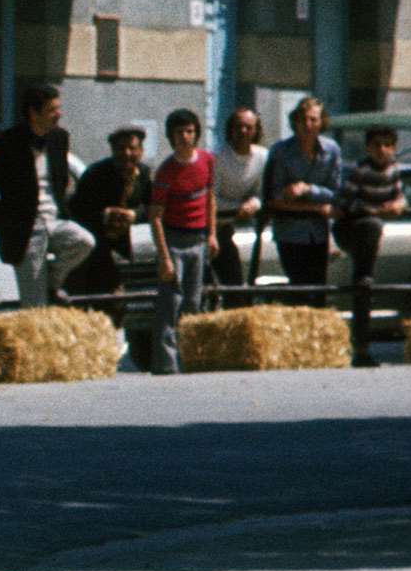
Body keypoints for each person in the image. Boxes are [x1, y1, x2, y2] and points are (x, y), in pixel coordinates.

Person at [0, 83, 92, 306]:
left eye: (58, 108)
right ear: (33, 113)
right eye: (52, 110)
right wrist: (3, 221)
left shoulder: (59, 138)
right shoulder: (8, 142)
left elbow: (61, 179)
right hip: (25, 227)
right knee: (34, 303)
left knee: (84, 241)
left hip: (54, 219)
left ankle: (53, 283)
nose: (59, 114)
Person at [147, 109, 216, 377]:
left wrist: (212, 235)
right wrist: (164, 257)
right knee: (170, 302)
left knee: (194, 301)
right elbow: (155, 217)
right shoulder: (166, 171)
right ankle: (166, 364)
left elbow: (210, 198)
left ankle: (192, 360)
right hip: (174, 238)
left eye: (189, 131)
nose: (185, 137)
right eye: (179, 133)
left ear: (196, 133)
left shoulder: (207, 161)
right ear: (171, 137)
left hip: (198, 237)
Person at [263, 96, 344, 289]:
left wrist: (308, 189)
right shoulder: (281, 151)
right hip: (290, 231)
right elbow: (274, 198)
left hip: (320, 233)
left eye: (313, 120)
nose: (307, 125)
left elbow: (336, 193)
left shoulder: (331, 150)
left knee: (318, 290)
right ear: (294, 122)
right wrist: (317, 207)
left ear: (321, 122)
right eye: (302, 120)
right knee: (299, 288)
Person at [67, 126, 152, 298]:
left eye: (132, 148)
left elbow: (155, 208)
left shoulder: (145, 175)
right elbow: (75, 210)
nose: (127, 153)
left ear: (141, 151)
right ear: (113, 150)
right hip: (97, 253)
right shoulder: (95, 174)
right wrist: (104, 214)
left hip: (133, 254)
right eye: (121, 148)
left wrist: (134, 215)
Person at [336, 124, 404, 300]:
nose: (382, 150)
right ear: (368, 148)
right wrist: (376, 211)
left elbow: (399, 195)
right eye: (376, 145)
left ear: (393, 148)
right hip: (350, 226)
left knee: (373, 226)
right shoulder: (360, 170)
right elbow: (345, 203)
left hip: (373, 227)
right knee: (371, 225)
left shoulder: (394, 170)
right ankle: (363, 276)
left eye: (387, 145)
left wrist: (398, 204)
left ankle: (364, 286)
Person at [211, 106, 269, 287]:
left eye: (248, 127)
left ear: (256, 131)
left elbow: (263, 192)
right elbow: (212, 199)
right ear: (231, 129)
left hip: (250, 226)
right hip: (218, 227)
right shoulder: (218, 159)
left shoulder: (263, 156)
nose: (243, 132)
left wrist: (254, 203)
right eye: (238, 127)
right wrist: (239, 207)